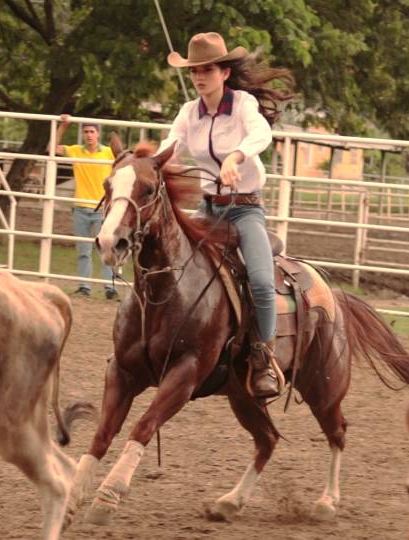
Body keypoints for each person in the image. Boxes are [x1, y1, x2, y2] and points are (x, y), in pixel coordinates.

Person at [158, 32, 295, 398]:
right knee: (172, 267)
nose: (199, 77)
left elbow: (260, 134)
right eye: (194, 71)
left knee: (262, 281)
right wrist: (148, 164)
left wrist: (236, 157)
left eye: (207, 69)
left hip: (245, 209)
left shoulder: (243, 105)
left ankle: (263, 356)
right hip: (207, 210)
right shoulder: (189, 112)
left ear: (224, 73)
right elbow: (170, 146)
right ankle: (165, 340)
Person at [52, 116, 119, 300]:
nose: (89, 135)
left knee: (106, 249)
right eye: (86, 132)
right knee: (83, 251)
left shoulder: (107, 153)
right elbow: (52, 148)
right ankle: (84, 286)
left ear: (98, 135)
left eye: (92, 132)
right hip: (80, 208)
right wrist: (63, 126)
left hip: (101, 209)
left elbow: (126, 159)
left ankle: (110, 287)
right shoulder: (76, 150)